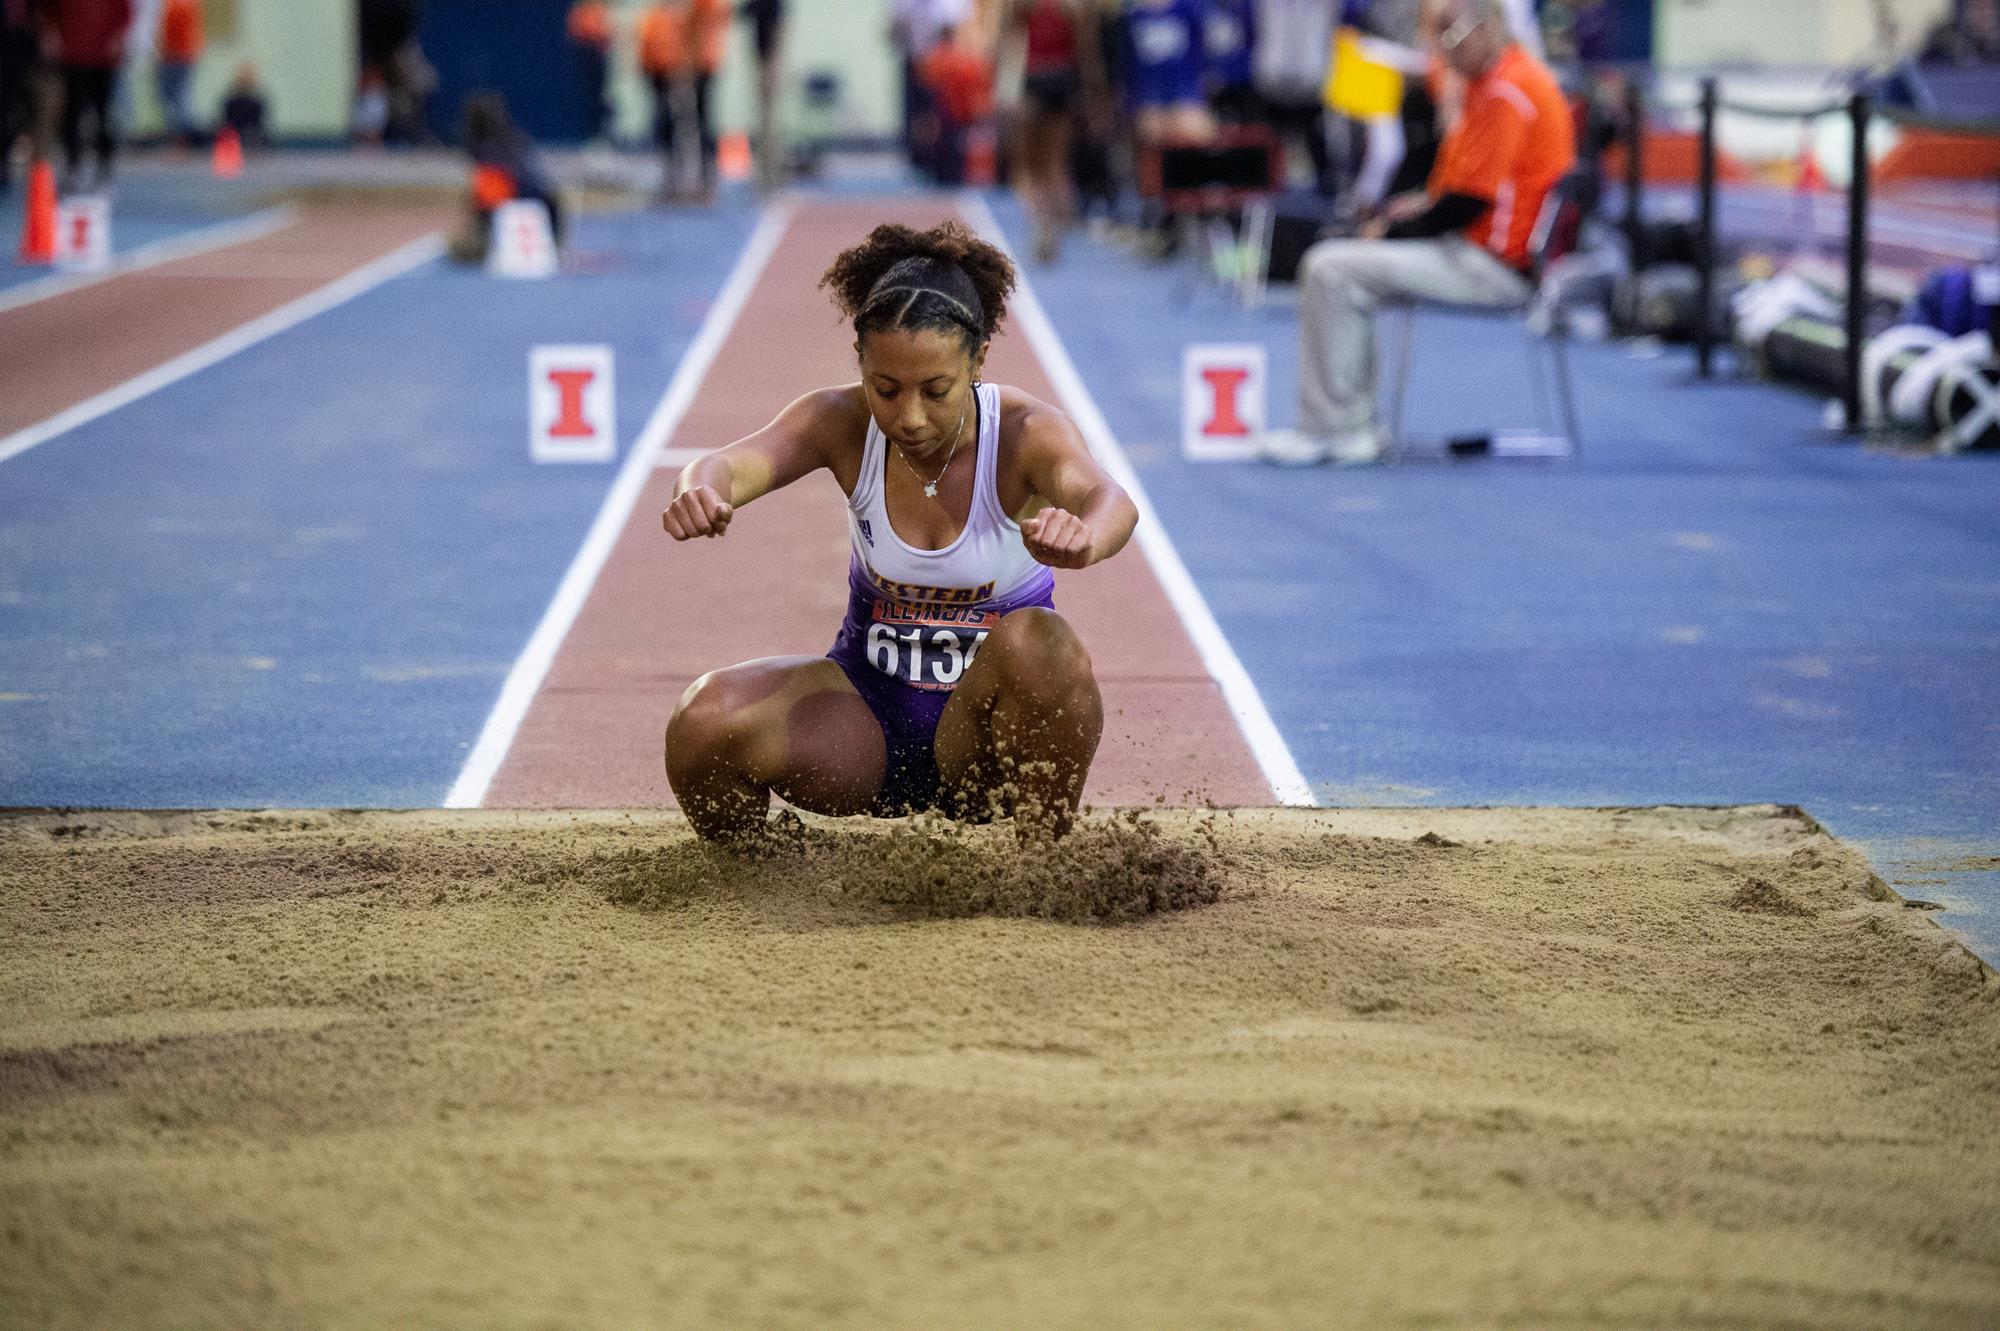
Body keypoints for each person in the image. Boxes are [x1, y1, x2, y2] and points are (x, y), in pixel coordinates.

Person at [661, 221, 1139, 843]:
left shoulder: (1025, 431)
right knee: (704, 720)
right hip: (866, 720)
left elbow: (1111, 501)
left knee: (1043, 643)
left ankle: (1045, 866)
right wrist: (699, 491)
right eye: (885, 389)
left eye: (935, 391)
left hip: (986, 741)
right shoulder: (840, 422)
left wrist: (1087, 537)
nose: (908, 417)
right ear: (860, 365)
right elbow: (726, 464)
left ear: (977, 362)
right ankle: (758, 881)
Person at [1261, 0, 1573, 466]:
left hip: (1495, 266)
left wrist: (1387, 231)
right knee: (1342, 261)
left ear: (1484, 26)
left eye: (1449, 33)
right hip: (1474, 249)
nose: (1441, 51)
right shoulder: (1492, 83)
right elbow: (1450, 189)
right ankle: (1351, 424)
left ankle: (1336, 430)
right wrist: (1396, 215)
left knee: (1329, 268)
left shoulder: (1508, 90)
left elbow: (1465, 204)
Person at [1003, 0, 1101, 261]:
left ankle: (1043, 222)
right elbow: (1087, 52)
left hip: (1037, 78)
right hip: (1063, 80)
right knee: (1055, 161)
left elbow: (1010, 43)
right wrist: (1091, 92)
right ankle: (1057, 221)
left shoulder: (1027, 5)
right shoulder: (1073, 7)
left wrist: (1005, 89)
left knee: (1029, 165)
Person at [448, 91, 564, 263]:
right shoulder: (515, 138)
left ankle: (482, 243)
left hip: (515, 199)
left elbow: (490, 193)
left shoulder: (484, 148)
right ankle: (552, 244)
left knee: (484, 196)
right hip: (541, 200)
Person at [639, 0, 728, 199]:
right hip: (677, 71)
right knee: (672, 124)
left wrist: (684, 69)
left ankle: (704, 179)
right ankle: (677, 178)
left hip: (697, 69)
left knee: (700, 123)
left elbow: (693, 39)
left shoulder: (702, 9)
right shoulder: (661, 17)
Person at [48, 0, 130, 191]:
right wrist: (53, 36)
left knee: (104, 115)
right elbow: (49, 12)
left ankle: (104, 168)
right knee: (72, 115)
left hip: (103, 58)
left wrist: (118, 40)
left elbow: (124, 14)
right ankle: (72, 167)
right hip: (72, 56)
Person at [918, 20, 992, 186]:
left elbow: (926, 84)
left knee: (946, 144)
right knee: (952, 144)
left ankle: (943, 174)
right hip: (955, 111)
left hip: (948, 111)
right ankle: (951, 174)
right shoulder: (966, 59)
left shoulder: (934, 58)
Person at [565, 0, 613, 145]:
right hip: (587, 53)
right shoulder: (582, 9)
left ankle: (602, 134)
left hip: (598, 54)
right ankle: (594, 135)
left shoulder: (601, 9)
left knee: (602, 96)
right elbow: (575, 31)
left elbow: (607, 32)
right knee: (591, 97)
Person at [153, 0, 200, 148]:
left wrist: (164, 54)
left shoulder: (176, 5)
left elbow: (171, 33)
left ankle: (181, 139)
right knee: (178, 98)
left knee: (175, 100)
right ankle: (182, 138)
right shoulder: (187, 4)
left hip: (175, 57)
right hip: (182, 56)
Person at [221, 60, 267, 148]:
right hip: (233, 137)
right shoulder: (231, 101)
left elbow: (259, 125)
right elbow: (227, 123)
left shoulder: (258, 102)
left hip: (252, 137)